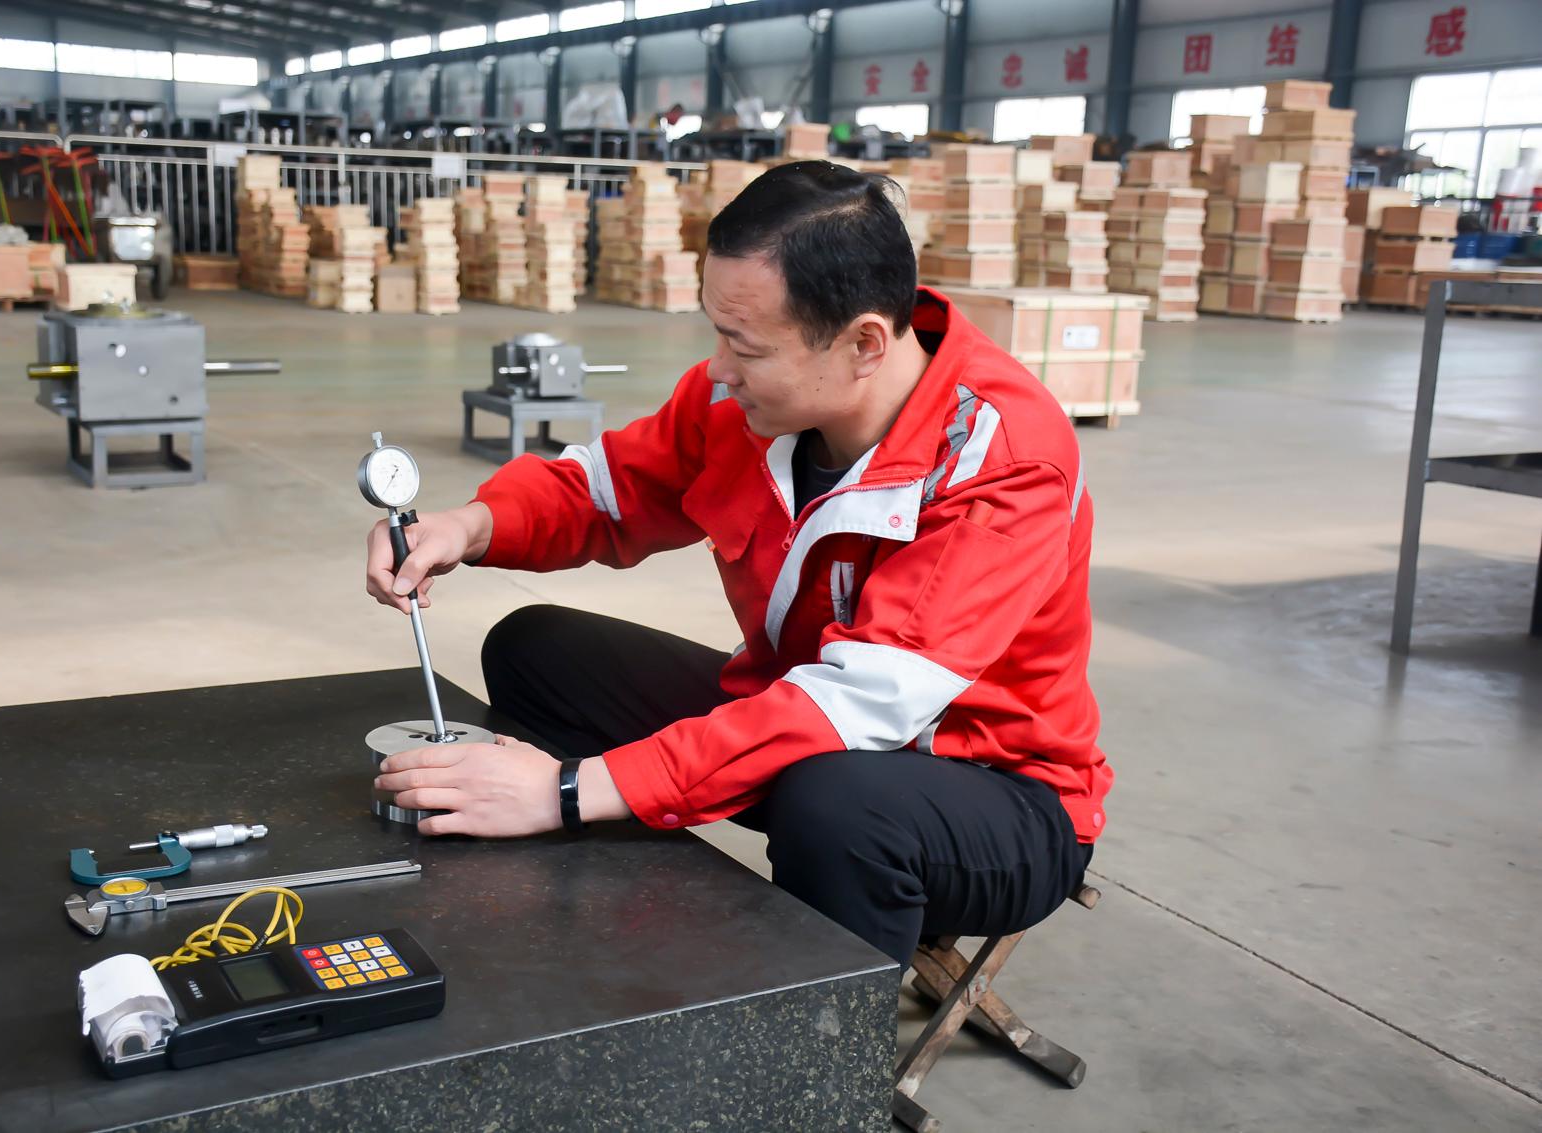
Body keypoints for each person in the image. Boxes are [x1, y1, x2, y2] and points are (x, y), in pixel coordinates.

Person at [364, 160, 1111, 967]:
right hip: (799, 717)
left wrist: (567, 790)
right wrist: (469, 526)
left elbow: (856, 704)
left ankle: (814, 1039)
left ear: (863, 342)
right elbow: (610, 491)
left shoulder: (1003, 460)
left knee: (836, 805)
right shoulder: (745, 402)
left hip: (991, 787)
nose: (718, 367)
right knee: (535, 650)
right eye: (717, 331)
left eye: (744, 345)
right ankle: (584, 921)